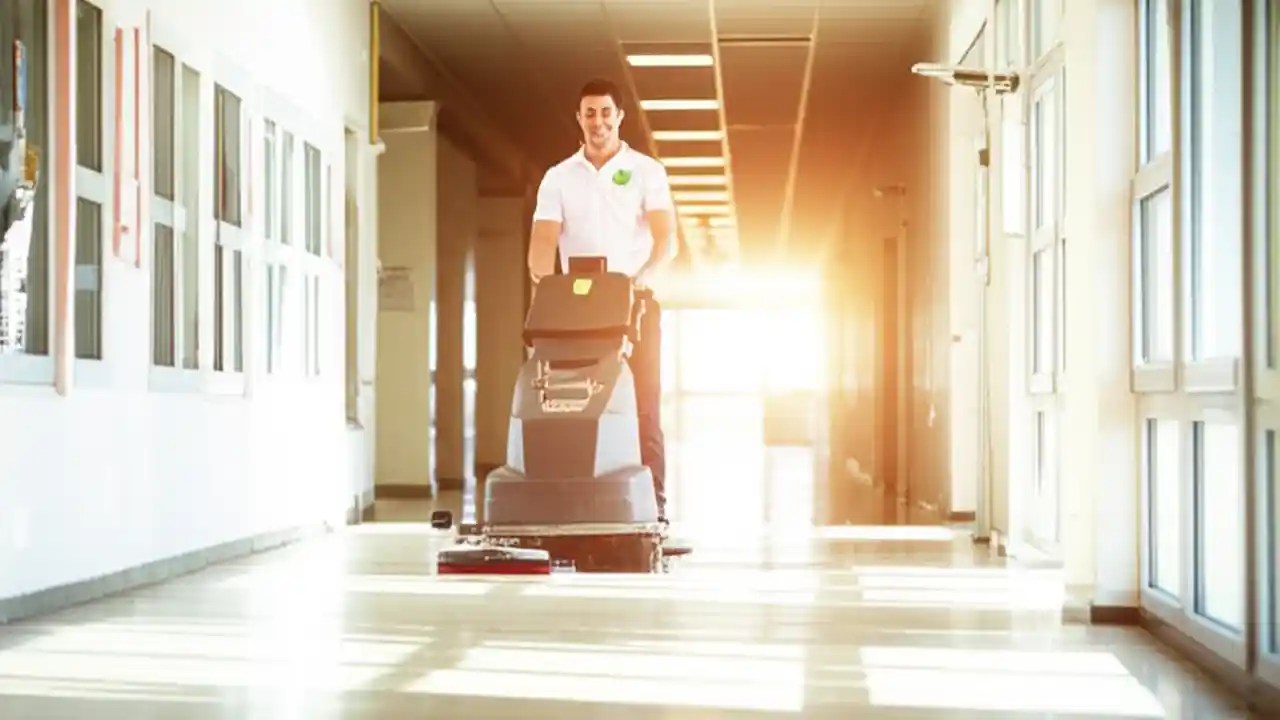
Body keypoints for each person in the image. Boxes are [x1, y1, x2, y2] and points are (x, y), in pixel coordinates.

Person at [527, 78, 676, 527]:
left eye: (606, 112)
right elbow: (542, 243)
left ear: (619, 117)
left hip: (636, 304)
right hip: (579, 311)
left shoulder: (647, 171)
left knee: (643, 405)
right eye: (589, 113)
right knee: (571, 401)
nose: (598, 122)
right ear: (579, 118)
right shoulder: (558, 177)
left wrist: (641, 281)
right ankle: (571, 495)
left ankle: (655, 502)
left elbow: (666, 240)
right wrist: (543, 281)